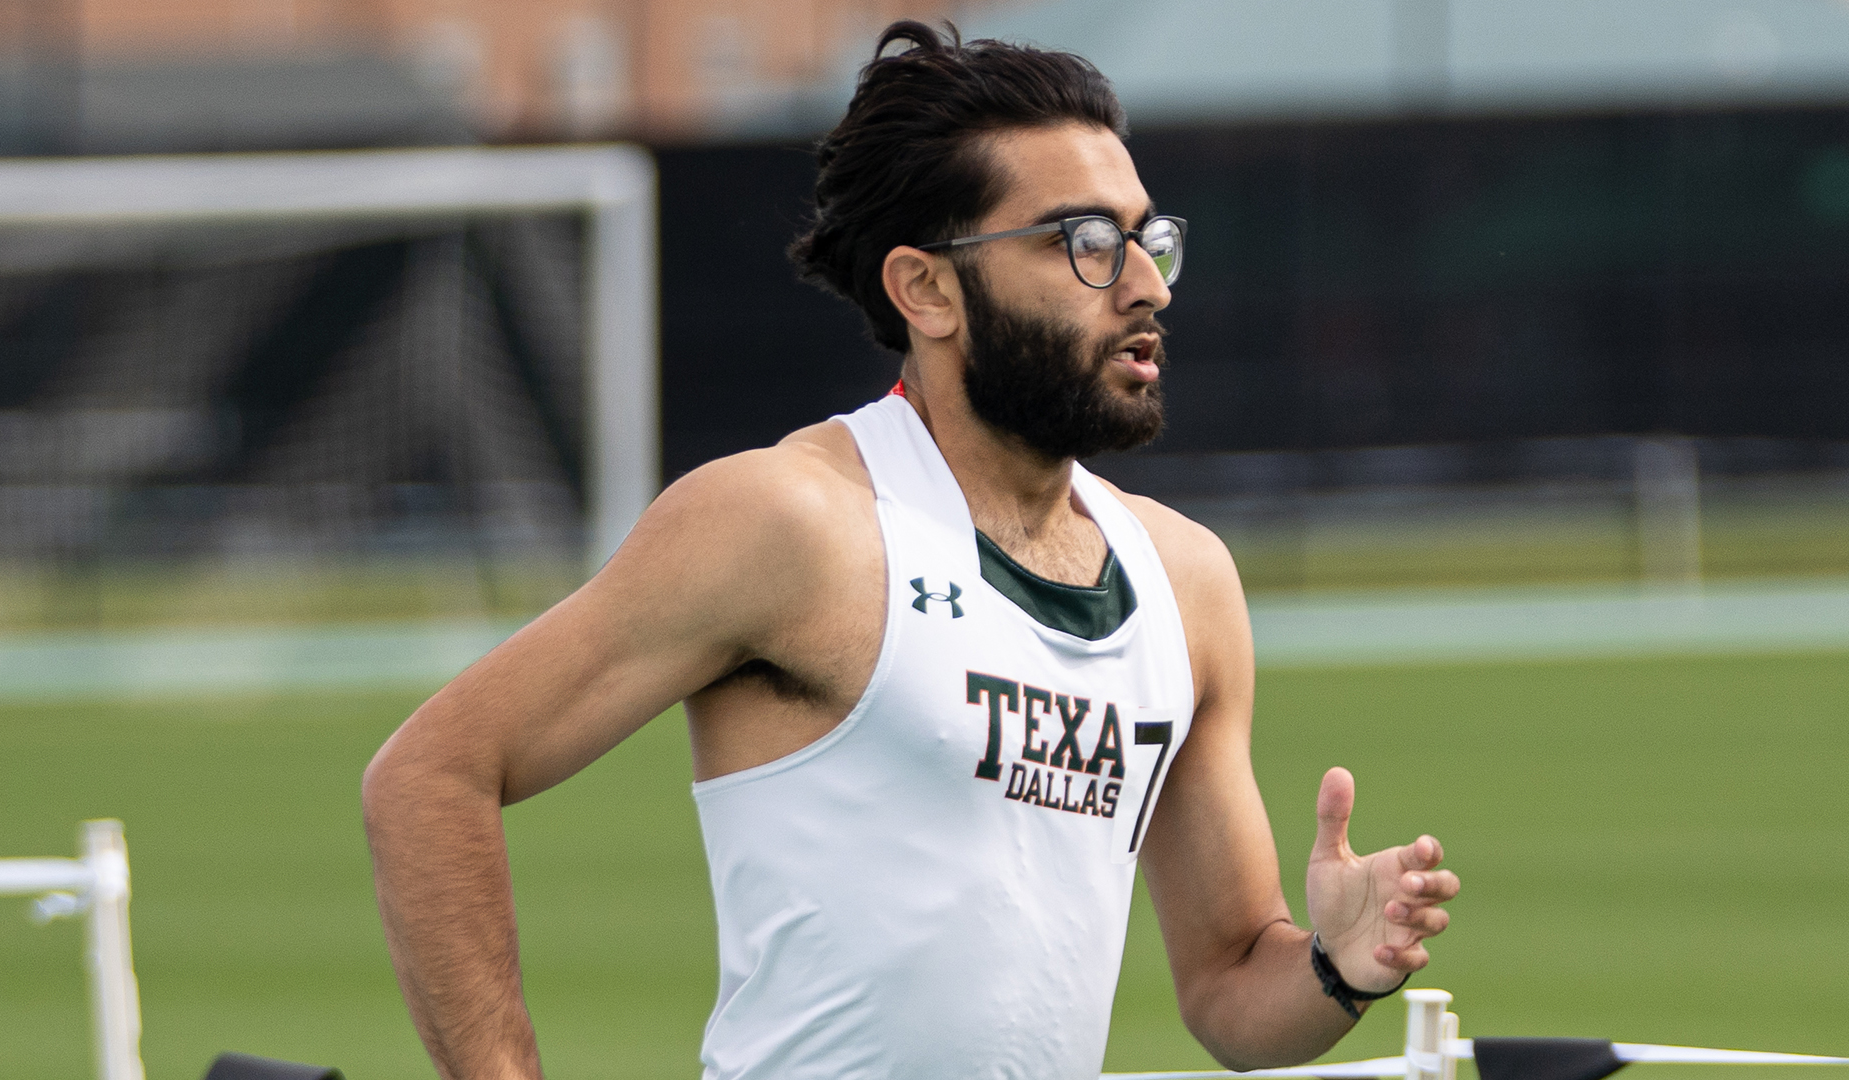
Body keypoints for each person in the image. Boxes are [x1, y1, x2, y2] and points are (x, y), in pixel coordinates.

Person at [362, 20, 1459, 1080]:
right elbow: (429, 776)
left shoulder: (1185, 581)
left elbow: (1228, 986)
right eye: (1084, 243)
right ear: (926, 288)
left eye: (1146, 236)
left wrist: (1333, 966)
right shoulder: (788, 521)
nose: (1146, 285)